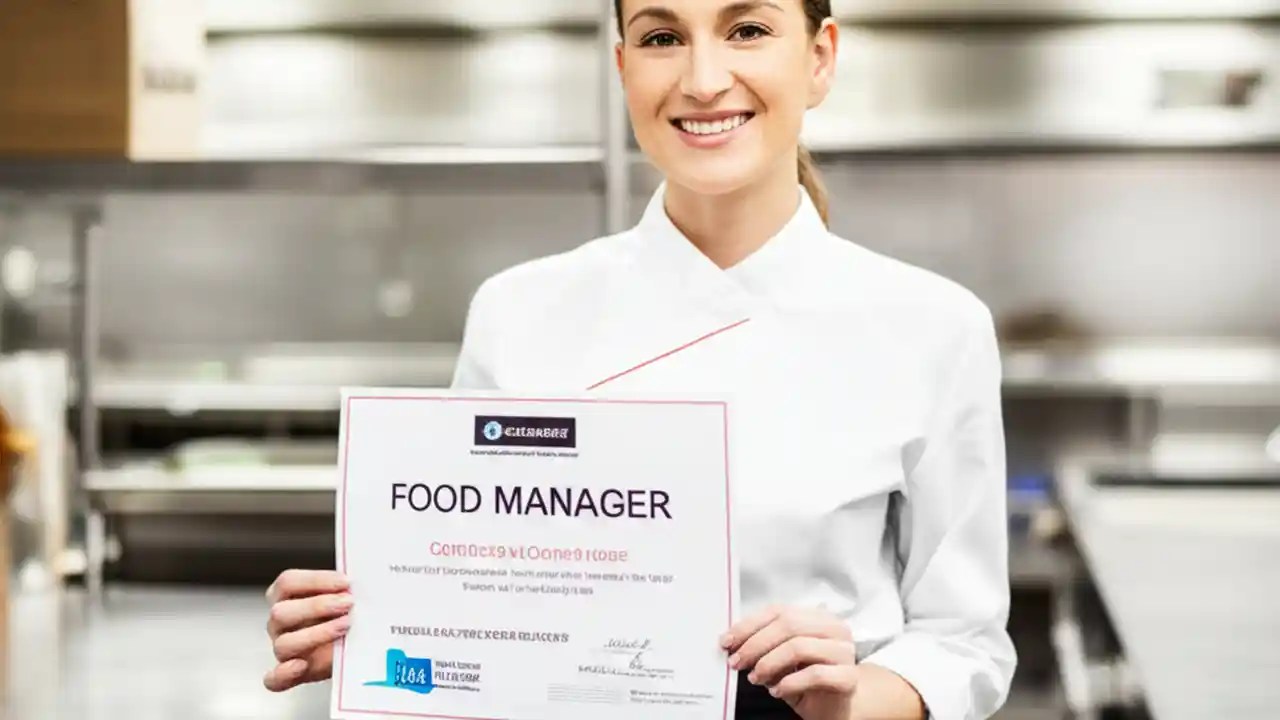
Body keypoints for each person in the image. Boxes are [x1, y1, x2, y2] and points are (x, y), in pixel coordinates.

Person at [262, 0, 1017, 718]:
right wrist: (383, 636)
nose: (703, 79)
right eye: (662, 38)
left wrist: (852, 696)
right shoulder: (518, 313)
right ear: (623, 67)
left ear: (820, 58)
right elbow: (482, 614)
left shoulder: (933, 328)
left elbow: (964, 642)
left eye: (747, 29)